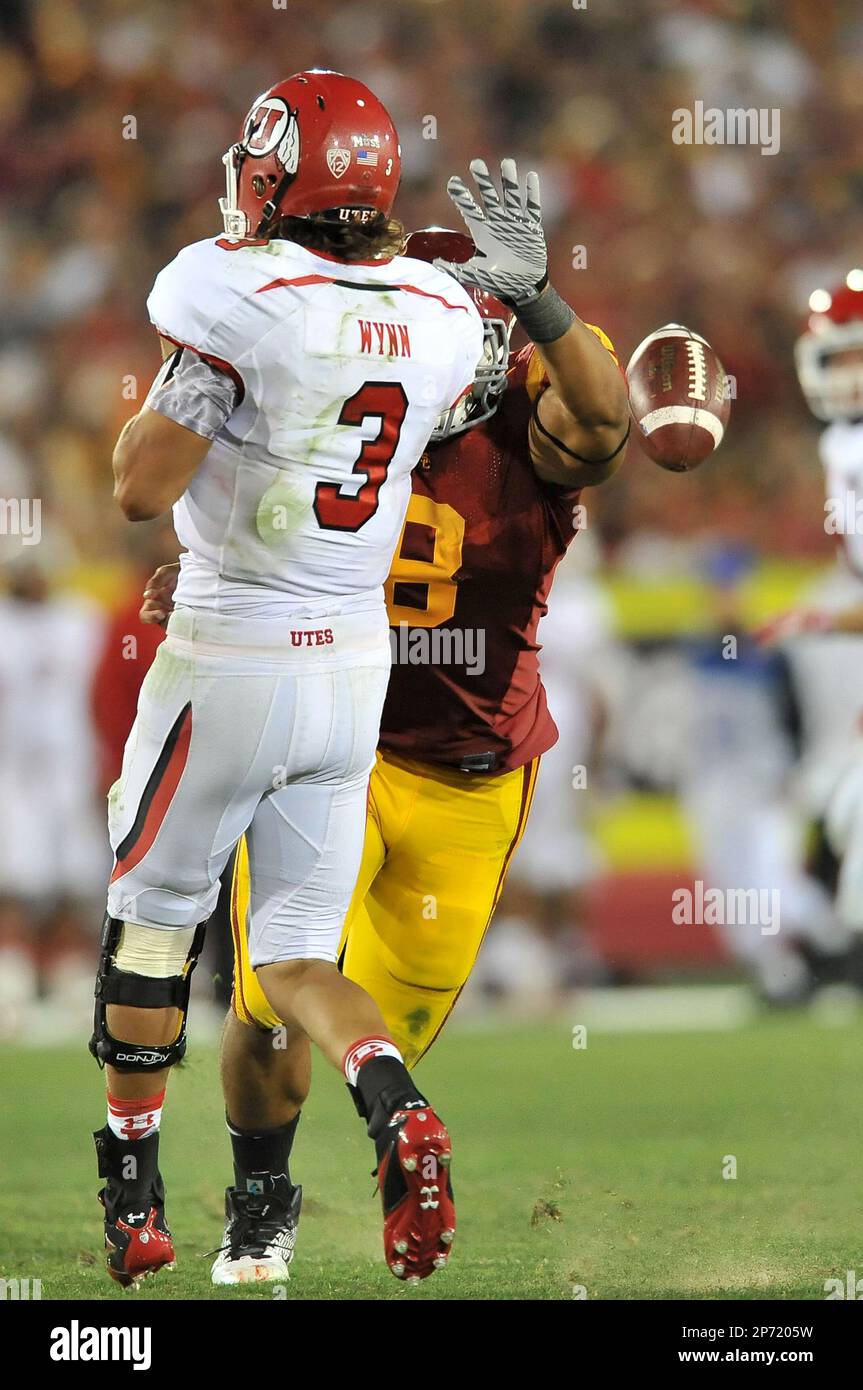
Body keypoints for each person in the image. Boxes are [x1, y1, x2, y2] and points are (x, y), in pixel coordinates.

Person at [142, 198, 630, 1282]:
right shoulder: (342, 403)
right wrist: (220, 577)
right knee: (272, 997)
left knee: (375, 1029)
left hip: (470, 777)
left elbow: (601, 427)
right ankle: (260, 1208)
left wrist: (541, 303)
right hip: (338, 750)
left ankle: (380, 1134)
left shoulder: (529, 414)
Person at [90, 70, 485, 1289]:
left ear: (273, 171)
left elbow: (141, 485)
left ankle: (133, 1194)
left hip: (230, 657)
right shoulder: (436, 306)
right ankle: (396, 1105)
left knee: (154, 924)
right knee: (295, 960)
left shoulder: (229, 287)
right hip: (349, 667)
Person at [758, 274, 863, 964]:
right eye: (838, 358)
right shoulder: (841, 446)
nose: (846, 374)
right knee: (836, 795)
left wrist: (823, 624)